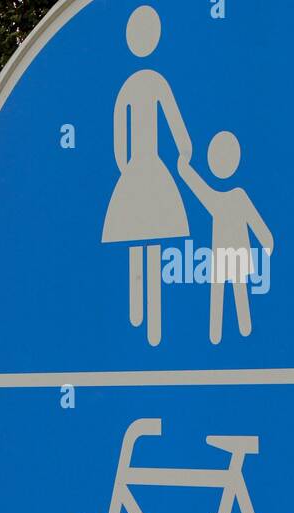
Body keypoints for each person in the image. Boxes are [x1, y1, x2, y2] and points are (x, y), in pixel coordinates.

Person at [102, 5, 193, 347]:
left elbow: (118, 139)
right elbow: (175, 124)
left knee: (140, 238)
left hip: (138, 168)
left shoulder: (133, 85)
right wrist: (184, 151)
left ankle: (143, 316)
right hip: (150, 167)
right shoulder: (153, 82)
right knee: (152, 237)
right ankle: (147, 321)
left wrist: (126, 167)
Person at [177, 132, 275, 344]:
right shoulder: (227, 198)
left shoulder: (230, 198)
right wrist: (183, 169)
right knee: (222, 293)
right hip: (226, 256)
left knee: (232, 292)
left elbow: (256, 222)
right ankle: (220, 335)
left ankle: (237, 332)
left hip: (233, 256)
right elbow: (199, 187)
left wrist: (267, 242)